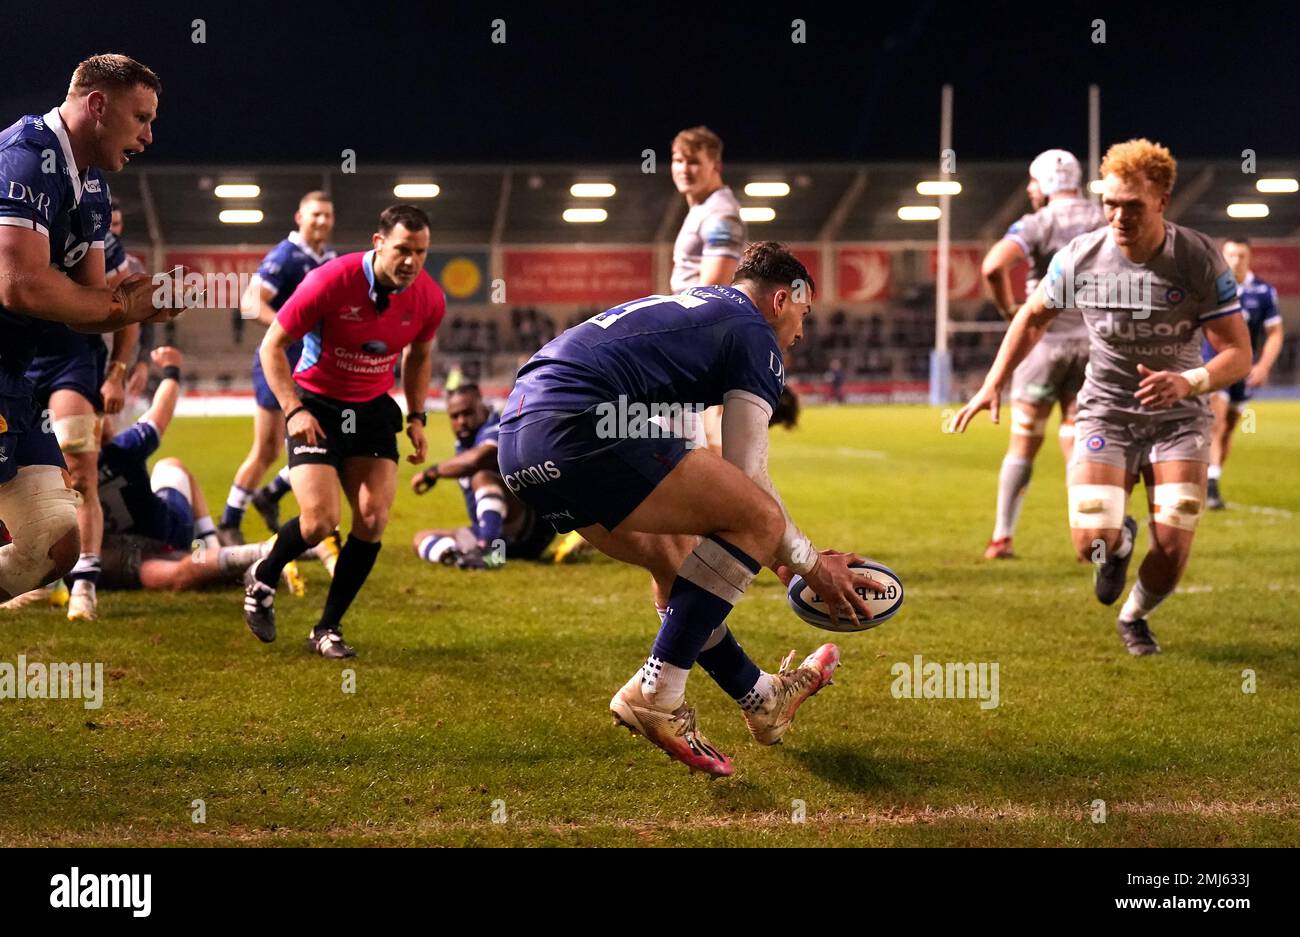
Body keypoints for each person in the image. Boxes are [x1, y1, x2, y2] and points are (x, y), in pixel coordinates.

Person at [497, 242, 880, 776]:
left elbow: (711, 478)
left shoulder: (700, 313)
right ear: (780, 300)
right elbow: (751, 486)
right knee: (761, 517)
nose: (801, 331)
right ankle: (656, 693)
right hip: (577, 426)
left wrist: (780, 555)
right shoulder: (754, 334)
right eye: (803, 313)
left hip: (519, 442)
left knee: (677, 561)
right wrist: (814, 565)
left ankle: (762, 698)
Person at [954, 139, 1251, 656]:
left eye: (1132, 205)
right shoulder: (1081, 255)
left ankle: (1134, 616)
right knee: (1091, 542)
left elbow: (1238, 353)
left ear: (1162, 200)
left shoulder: (1198, 257)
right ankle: (1119, 542)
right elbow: (1032, 317)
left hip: (1178, 418)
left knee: (1174, 544)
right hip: (1106, 413)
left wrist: (1190, 381)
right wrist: (993, 382)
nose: (1118, 216)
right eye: (1110, 203)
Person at [241, 205, 444, 659]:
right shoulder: (329, 281)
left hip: (372, 409)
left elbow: (419, 356)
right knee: (320, 522)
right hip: (317, 406)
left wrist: (416, 416)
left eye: (421, 252)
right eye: (402, 250)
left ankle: (327, 628)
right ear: (379, 243)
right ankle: (263, 575)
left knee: (373, 519)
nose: (411, 261)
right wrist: (293, 410)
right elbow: (272, 345)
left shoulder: (429, 297)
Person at [0, 53, 166, 606]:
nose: (147, 136)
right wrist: (126, 303)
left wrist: (147, 302)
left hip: (13, 378)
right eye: (140, 118)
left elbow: (87, 307)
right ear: (97, 105)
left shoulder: (91, 187)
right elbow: (21, 287)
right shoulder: (24, 158)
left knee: (53, 544)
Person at [979, 149, 1105, 559]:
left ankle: (1002, 537)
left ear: (1047, 183)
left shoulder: (1038, 223)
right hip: (1093, 344)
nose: (1030, 189)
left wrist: (1009, 310)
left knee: (1024, 442)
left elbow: (993, 267)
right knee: (1079, 441)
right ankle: (1087, 539)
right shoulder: (1103, 217)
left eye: (1033, 181)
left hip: (1042, 343)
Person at [220, 192, 337, 543]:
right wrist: (288, 329)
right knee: (268, 449)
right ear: (299, 217)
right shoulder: (287, 256)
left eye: (327, 215)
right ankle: (229, 523)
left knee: (326, 438)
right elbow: (250, 302)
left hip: (313, 366)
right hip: (279, 364)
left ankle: (272, 496)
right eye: (315, 214)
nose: (322, 221)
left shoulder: (329, 257)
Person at [410, 383, 554, 568]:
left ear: (482, 406)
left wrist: (433, 472)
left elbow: (478, 459)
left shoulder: (500, 428)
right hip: (490, 532)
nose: (461, 421)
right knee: (421, 539)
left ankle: (489, 551)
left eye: (467, 413)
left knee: (482, 477)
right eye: (455, 416)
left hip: (528, 532)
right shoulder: (464, 442)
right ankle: (458, 556)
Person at [1205, 237, 1284, 509]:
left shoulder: (1263, 291)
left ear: (1250, 258)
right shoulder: (1211, 288)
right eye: (1231, 255)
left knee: (1227, 429)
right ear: (1222, 256)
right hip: (1214, 364)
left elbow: (1275, 333)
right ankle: (1211, 486)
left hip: (1244, 368)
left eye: (1241, 256)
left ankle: (1213, 477)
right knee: (1215, 423)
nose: (1236, 261)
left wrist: (1263, 366)